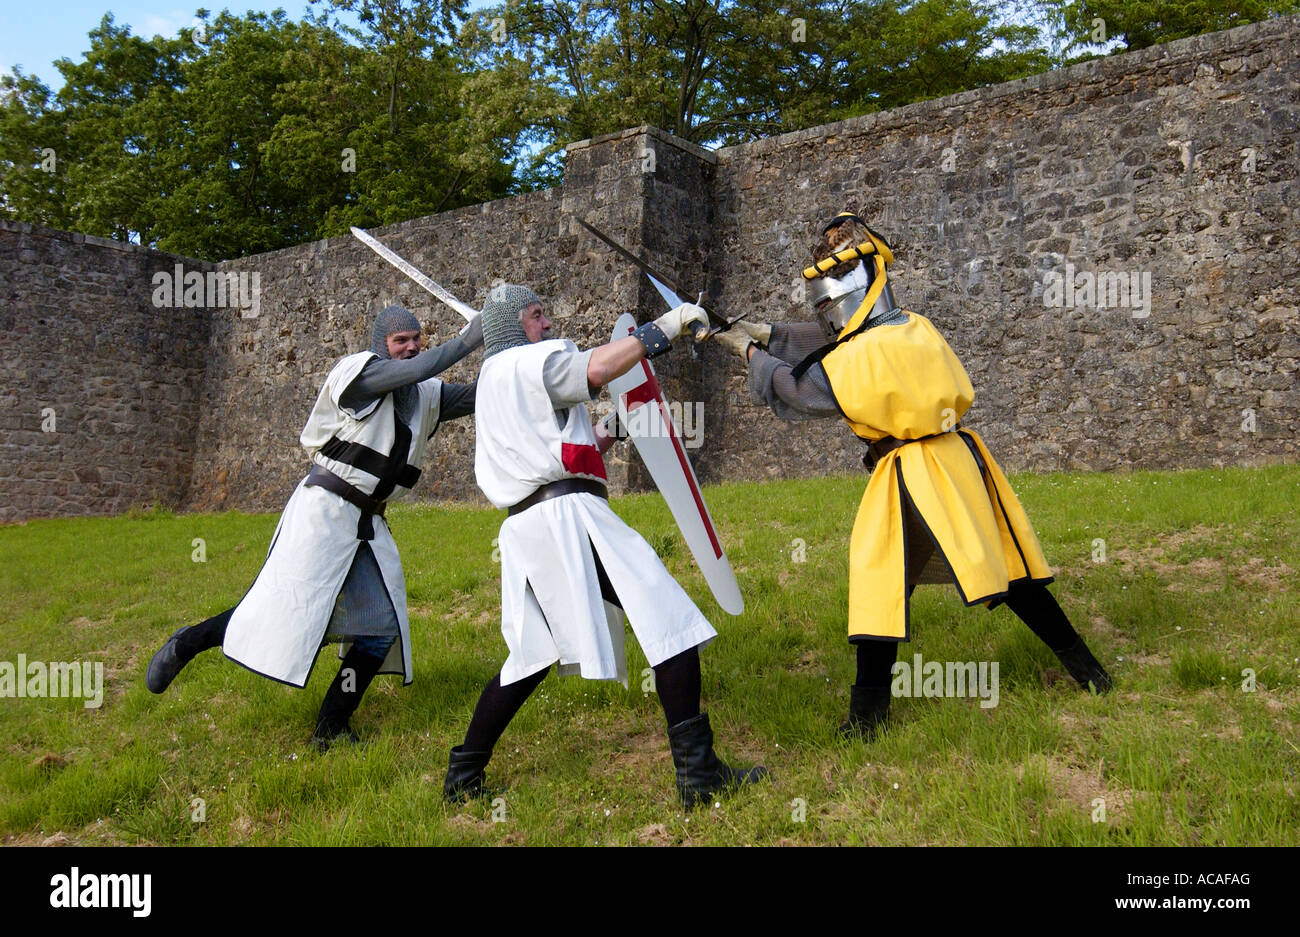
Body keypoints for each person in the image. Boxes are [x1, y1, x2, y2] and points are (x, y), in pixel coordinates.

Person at [712, 210, 1112, 739]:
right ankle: (1091, 674)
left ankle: (866, 722)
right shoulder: (913, 327)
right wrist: (764, 332)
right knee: (1007, 573)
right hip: (959, 461)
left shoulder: (864, 353)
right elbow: (833, 346)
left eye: (831, 302)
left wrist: (745, 350)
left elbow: (800, 388)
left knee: (881, 584)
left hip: (910, 473)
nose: (829, 315)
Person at [443, 284, 765, 808]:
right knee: (670, 623)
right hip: (569, 518)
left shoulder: (495, 384)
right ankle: (699, 775)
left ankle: (462, 777)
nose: (547, 325)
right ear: (514, 326)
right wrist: (666, 327)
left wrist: (623, 420)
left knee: (531, 656)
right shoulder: (529, 363)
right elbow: (595, 370)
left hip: (531, 526)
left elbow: (570, 446)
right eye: (537, 315)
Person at [145, 305, 482, 749]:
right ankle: (188, 643)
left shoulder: (425, 395)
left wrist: (512, 352)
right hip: (324, 513)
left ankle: (330, 728)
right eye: (401, 340)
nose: (412, 347)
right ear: (380, 343)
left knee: (379, 628)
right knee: (281, 616)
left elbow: (483, 394)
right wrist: (469, 336)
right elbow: (417, 368)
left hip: (369, 523)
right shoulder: (359, 374)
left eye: (416, 339)